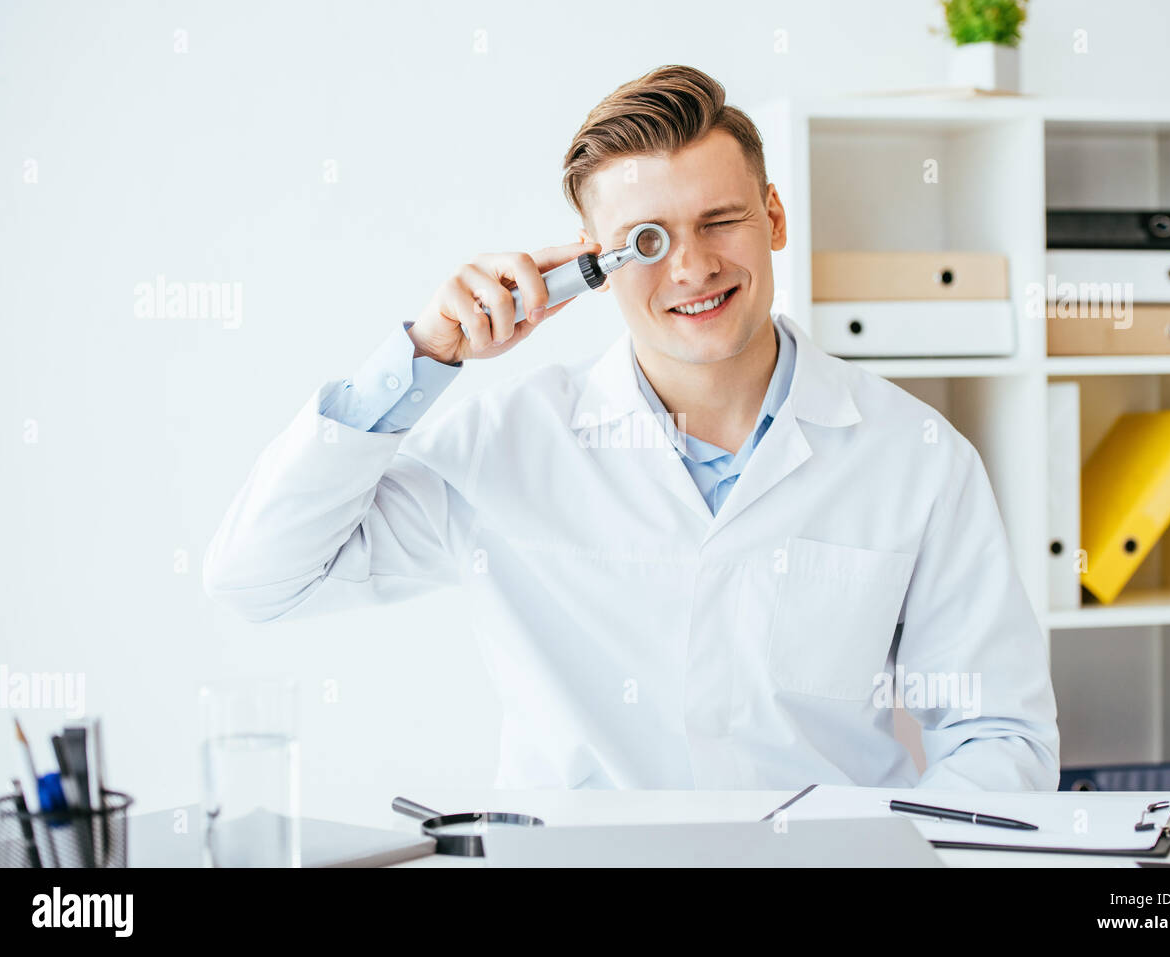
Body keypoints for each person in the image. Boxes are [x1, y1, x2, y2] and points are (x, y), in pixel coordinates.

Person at [204, 64, 1060, 791]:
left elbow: (1000, 736)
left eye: (720, 220)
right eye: (647, 240)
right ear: (592, 263)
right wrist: (425, 354)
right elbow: (259, 580)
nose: (691, 266)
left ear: (775, 217)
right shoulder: (506, 446)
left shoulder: (912, 455)